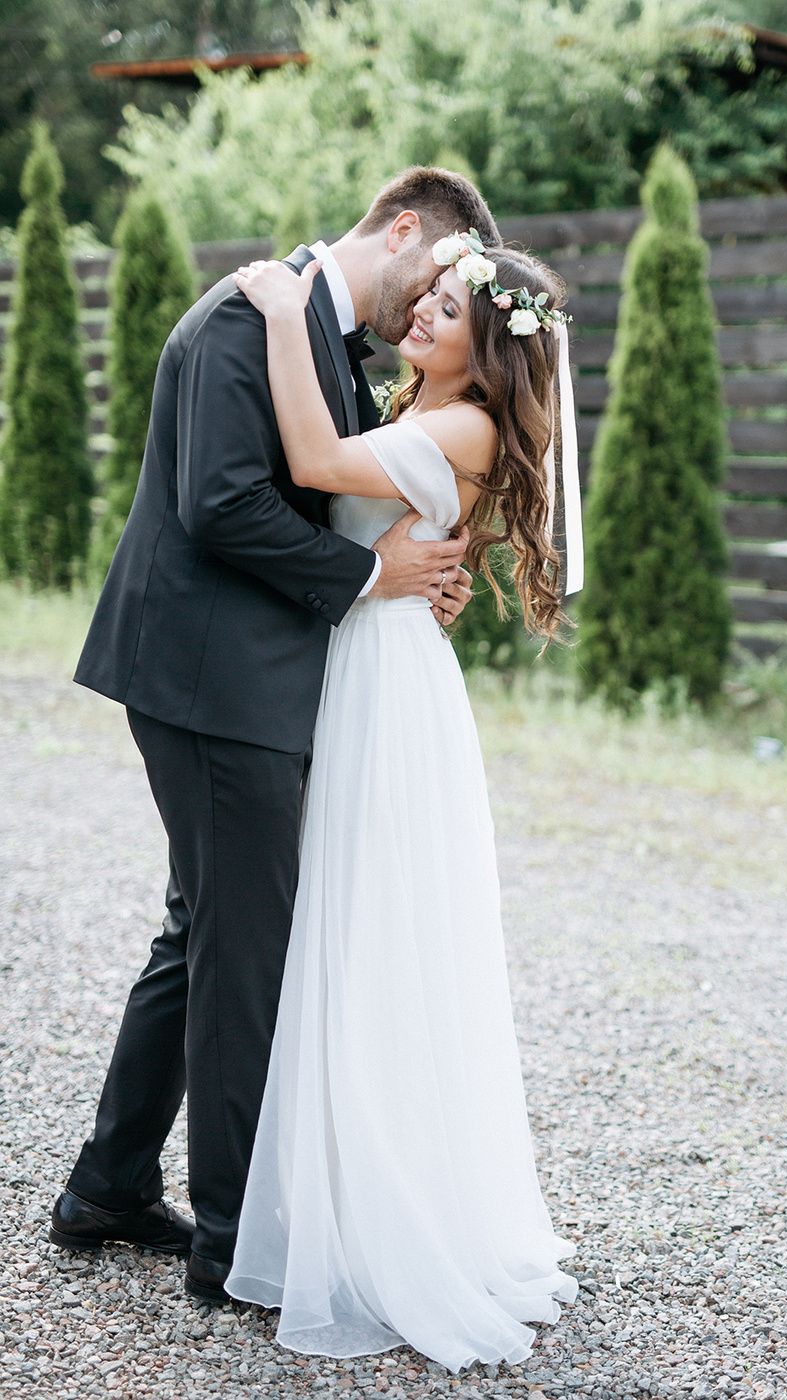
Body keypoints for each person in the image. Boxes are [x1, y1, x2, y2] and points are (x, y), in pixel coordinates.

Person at [49, 170, 501, 1306]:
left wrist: (411, 571)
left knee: (206, 927)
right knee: (252, 947)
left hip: (258, 674)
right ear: (404, 227)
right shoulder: (247, 318)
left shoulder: (320, 333)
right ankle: (234, 1237)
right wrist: (369, 574)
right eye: (437, 273)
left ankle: (107, 1185)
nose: (430, 305)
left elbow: (342, 490)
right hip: (210, 678)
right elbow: (224, 504)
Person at [222, 236, 579, 1370]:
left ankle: (389, 1217)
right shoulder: (417, 407)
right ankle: (339, 1191)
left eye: (452, 308)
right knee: (344, 925)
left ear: (494, 349)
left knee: (373, 932)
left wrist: (283, 310)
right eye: (424, 297)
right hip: (363, 661)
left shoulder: (464, 423)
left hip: (387, 682)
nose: (423, 314)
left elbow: (318, 463)